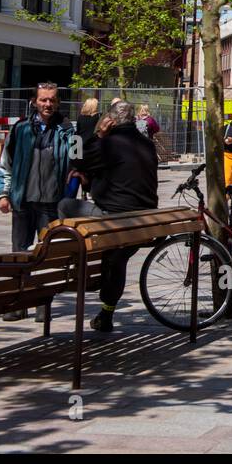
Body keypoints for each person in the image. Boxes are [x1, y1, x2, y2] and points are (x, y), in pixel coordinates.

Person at [59, 100, 159, 332]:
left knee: (66, 205)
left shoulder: (109, 143)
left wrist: (99, 136)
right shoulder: (146, 144)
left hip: (114, 219)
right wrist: (93, 179)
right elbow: (121, 175)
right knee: (117, 258)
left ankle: (69, 256)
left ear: (109, 121)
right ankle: (106, 314)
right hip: (144, 220)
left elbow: (76, 157)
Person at [0, 82, 74, 320]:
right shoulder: (20, 129)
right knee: (19, 253)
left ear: (58, 102)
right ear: (34, 102)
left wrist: (69, 198)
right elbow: (5, 163)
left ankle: (42, 303)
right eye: (43, 100)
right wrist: (3, 193)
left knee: (46, 254)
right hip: (22, 201)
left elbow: (79, 167)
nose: (47, 104)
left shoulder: (69, 130)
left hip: (51, 204)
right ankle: (19, 303)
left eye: (52, 100)